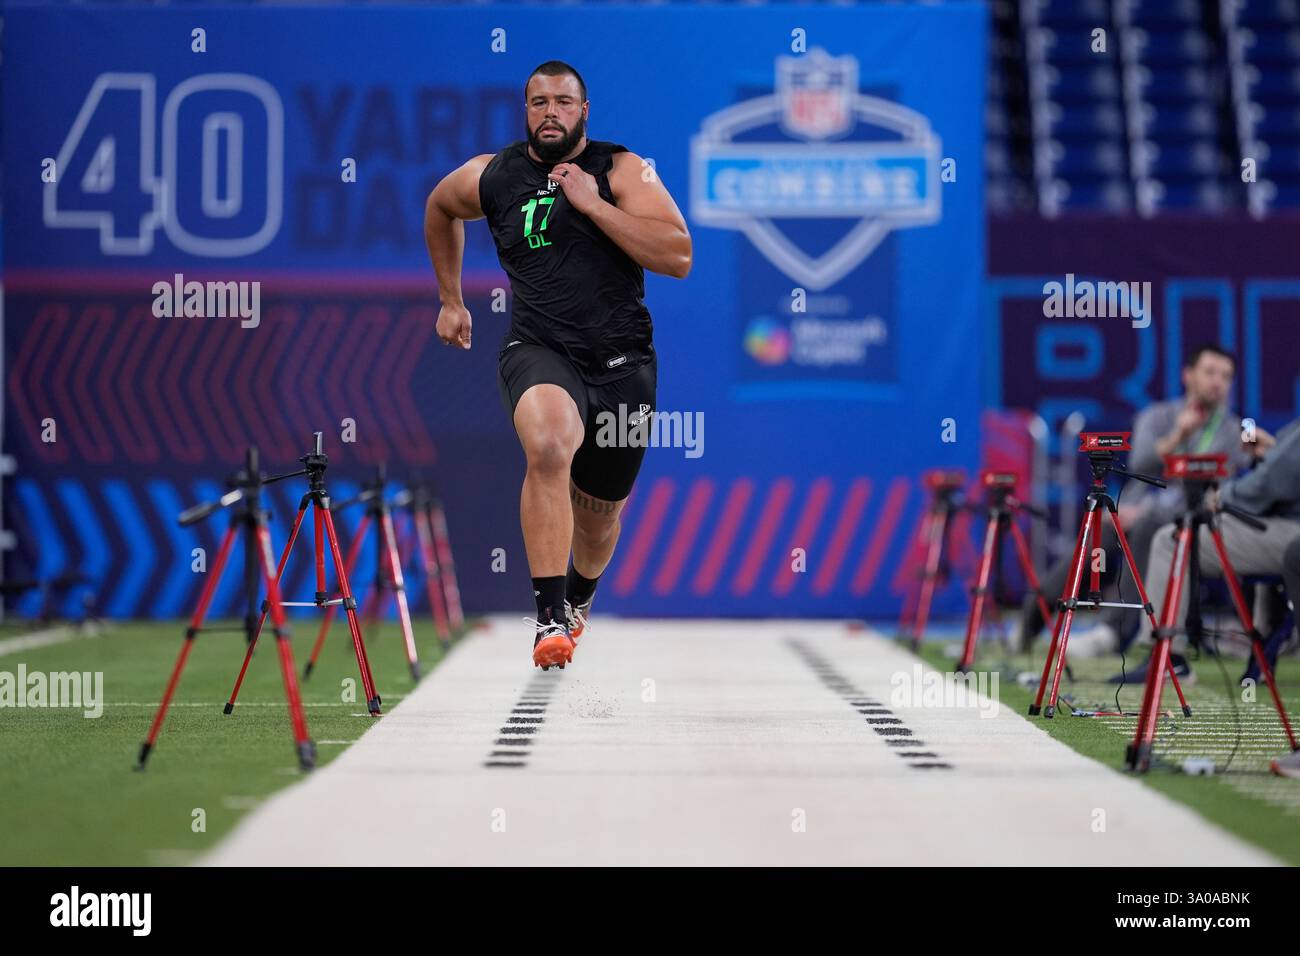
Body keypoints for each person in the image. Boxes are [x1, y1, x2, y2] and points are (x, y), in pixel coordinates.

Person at [423, 60, 692, 669]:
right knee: (547, 445)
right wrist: (450, 299)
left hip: (624, 365)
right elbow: (440, 207)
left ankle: (578, 598)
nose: (551, 113)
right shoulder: (493, 175)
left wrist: (594, 206)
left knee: (598, 522)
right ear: (526, 110)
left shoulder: (621, 168)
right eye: (539, 102)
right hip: (539, 349)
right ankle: (547, 619)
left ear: (584, 110)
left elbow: (678, 255)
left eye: (564, 102)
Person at [1017, 345, 1249, 657]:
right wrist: (1178, 436)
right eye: (1210, 372)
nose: (1217, 382)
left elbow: (1217, 489)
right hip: (1136, 510)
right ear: (1188, 376)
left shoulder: (1235, 431)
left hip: (1188, 519)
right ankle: (1032, 616)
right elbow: (1140, 465)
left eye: (1226, 376)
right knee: (1099, 530)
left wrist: (1146, 511)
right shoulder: (1157, 415)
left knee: (1149, 525)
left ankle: (1111, 632)